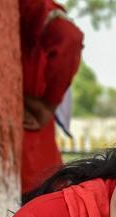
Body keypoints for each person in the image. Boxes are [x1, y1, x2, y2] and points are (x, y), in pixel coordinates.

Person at [20, 0, 84, 199]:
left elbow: (68, 36)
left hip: (30, 162)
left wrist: (48, 106)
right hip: (35, 169)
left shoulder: (34, 10)